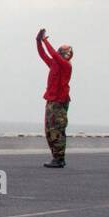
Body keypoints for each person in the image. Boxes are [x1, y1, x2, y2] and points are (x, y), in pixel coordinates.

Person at [35, 28, 73, 168]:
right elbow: (43, 54)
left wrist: (44, 40)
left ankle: (60, 159)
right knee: (49, 130)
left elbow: (51, 54)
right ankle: (55, 157)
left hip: (60, 101)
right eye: (65, 51)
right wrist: (38, 41)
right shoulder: (55, 64)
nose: (67, 53)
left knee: (58, 129)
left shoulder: (66, 65)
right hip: (51, 101)